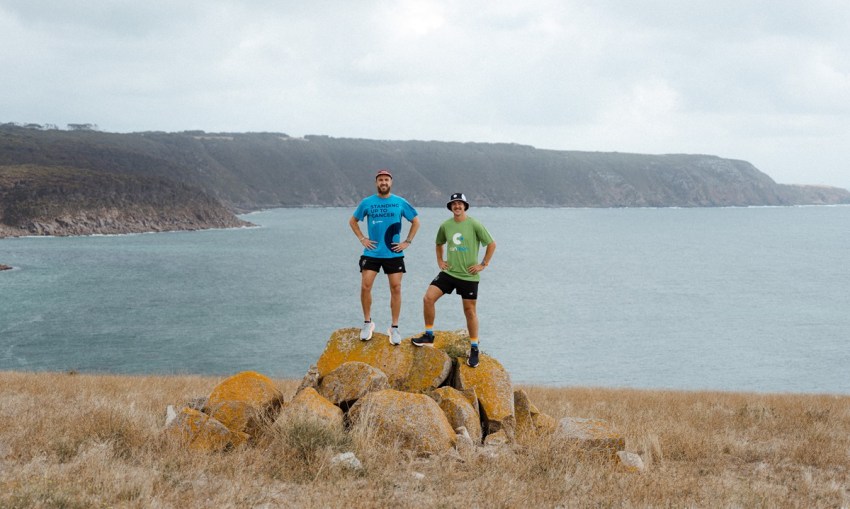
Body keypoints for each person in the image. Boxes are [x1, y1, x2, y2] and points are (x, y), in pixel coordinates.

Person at [412, 193, 496, 368]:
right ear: (450, 207)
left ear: (465, 206)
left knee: (469, 311)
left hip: (468, 275)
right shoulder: (446, 225)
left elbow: (491, 244)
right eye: (454, 204)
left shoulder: (474, 224)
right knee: (428, 298)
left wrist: (483, 264)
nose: (457, 206)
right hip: (450, 273)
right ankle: (428, 335)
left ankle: (474, 348)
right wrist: (440, 261)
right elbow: (439, 243)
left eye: (460, 203)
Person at [349, 169, 420, 345]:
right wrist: (362, 238)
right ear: (376, 183)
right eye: (380, 180)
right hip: (372, 252)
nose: (383, 182)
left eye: (386, 180)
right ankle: (368, 323)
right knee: (366, 286)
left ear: (391, 182)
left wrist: (407, 242)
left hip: (394, 252)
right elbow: (353, 221)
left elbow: (416, 221)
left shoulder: (400, 202)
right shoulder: (367, 202)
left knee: (396, 288)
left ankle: (394, 328)